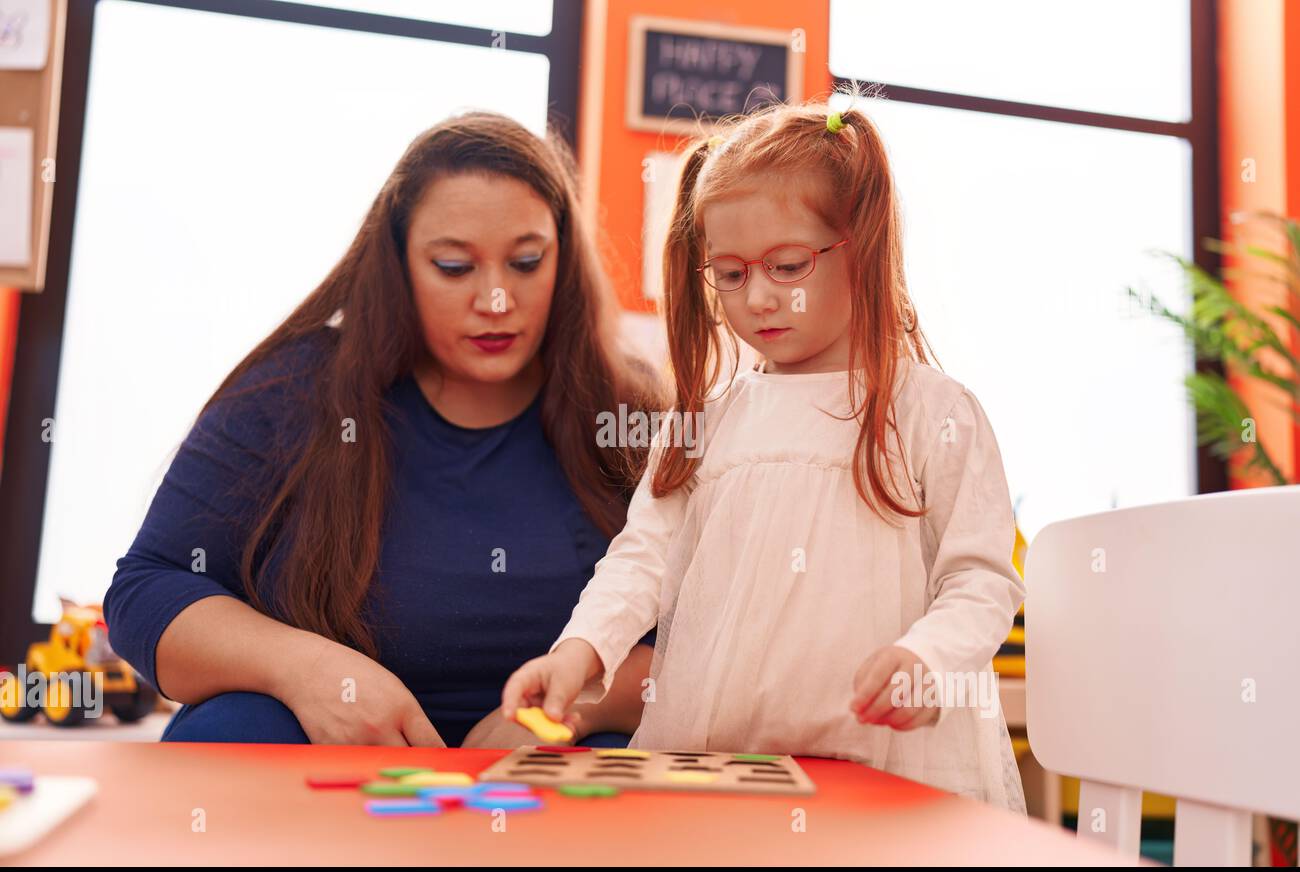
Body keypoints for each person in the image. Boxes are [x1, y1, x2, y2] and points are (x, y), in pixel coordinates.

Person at [502, 99, 1028, 812]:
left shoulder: (933, 412)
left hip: (887, 762)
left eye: (786, 266)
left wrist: (927, 660)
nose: (757, 298)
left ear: (861, 247)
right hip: (720, 758)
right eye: (729, 273)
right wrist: (580, 651)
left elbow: (981, 580)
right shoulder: (707, 424)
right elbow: (641, 558)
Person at [105, 112, 662, 747]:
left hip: (551, 770)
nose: (497, 300)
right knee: (238, 729)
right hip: (319, 759)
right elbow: (145, 591)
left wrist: (570, 708)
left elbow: (711, 637)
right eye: (454, 267)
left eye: (527, 261)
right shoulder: (294, 390)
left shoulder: (631, 412)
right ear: (397, 265)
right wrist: (306, 670)